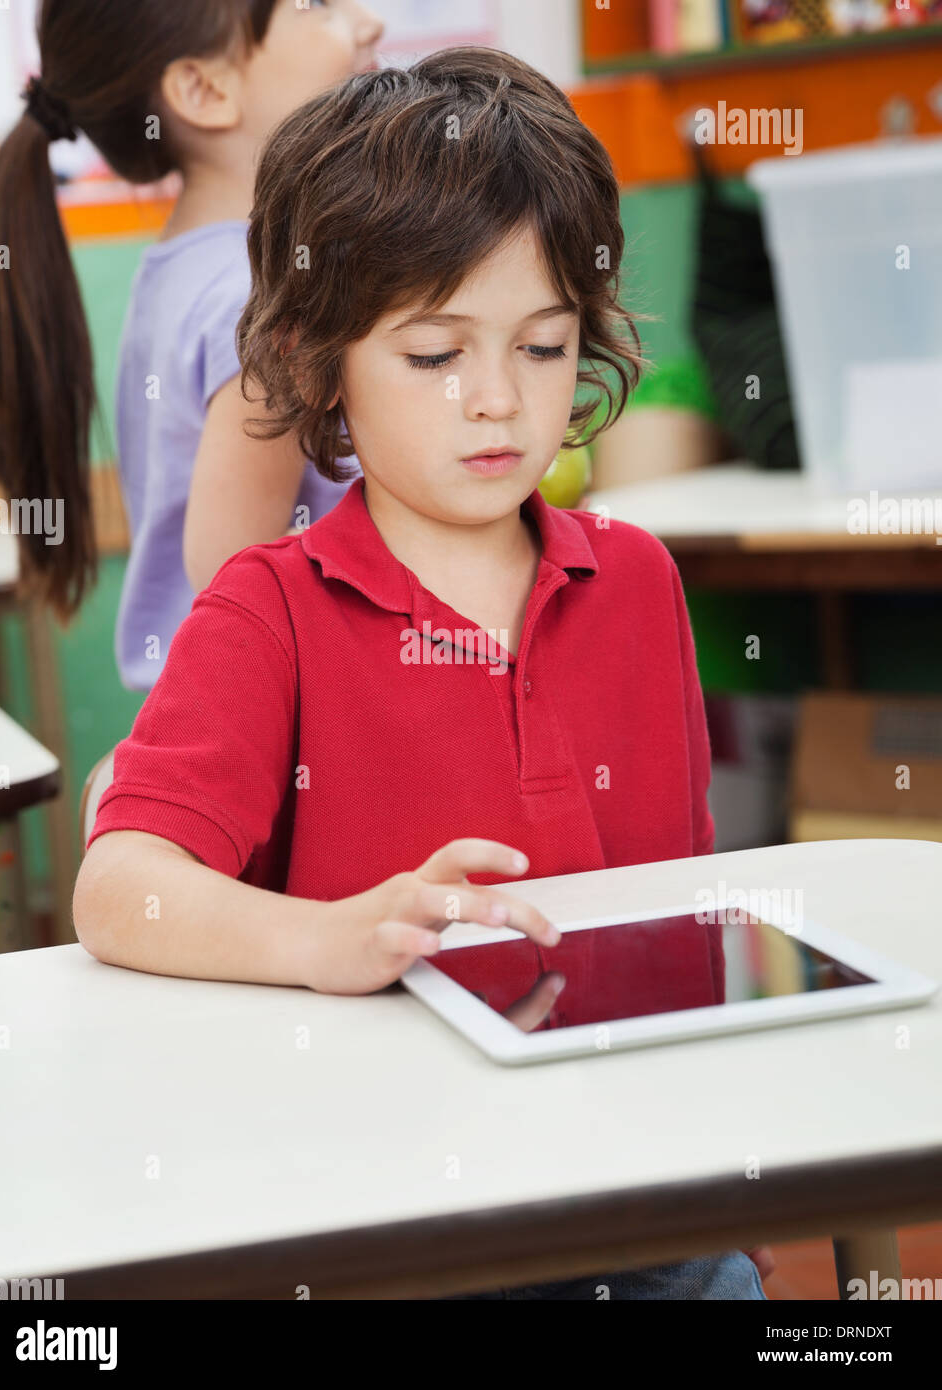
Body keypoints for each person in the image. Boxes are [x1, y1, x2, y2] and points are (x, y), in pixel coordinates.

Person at [73, 45, 768, 1300]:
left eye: (544, 346)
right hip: (383, 1217)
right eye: (434, 355)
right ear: (317, 353)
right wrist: (327, 935)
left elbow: (678, 916)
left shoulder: (638, 581)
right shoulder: (269, 610)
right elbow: (120, 888)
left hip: (627, 1186)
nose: (497, 400)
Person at [0, 0, 383, 691]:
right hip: (264, 745)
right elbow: (238, 599)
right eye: (317, 7)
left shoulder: (184, 271)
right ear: (203, 90)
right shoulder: (263, 302)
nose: (368, 23)